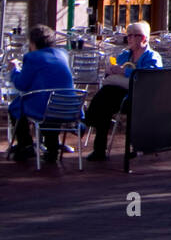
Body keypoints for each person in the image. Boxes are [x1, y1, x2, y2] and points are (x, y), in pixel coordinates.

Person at [84, 21, 163, 161]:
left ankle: (87, 122)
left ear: (143, 38)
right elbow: (114, 70)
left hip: (141, 96)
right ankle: (99, 149)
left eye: (133, 35)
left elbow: (149, 77)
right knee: (105, 99)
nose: (129, 39)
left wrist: (124, 71)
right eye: (128, 35)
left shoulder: (152, 56)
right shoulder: (125, 55)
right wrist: (111, 70)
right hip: (120, 93)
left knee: (107, 98)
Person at [7, 25, 77, 163]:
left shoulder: (32, 57)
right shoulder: (63, 54)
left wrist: (14, 71)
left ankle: (26, 145)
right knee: (49, 104)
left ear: (33, 42)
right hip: (70, 106)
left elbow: (21, 84)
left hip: (45, 107)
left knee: (16, 106)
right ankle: (52, 148)